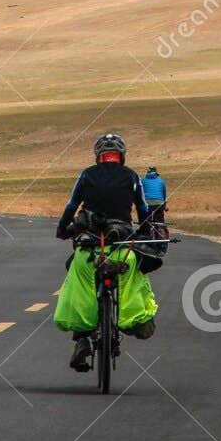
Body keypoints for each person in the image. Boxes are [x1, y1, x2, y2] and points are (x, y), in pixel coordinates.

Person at [53, 132, 157, 372]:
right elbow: (142, 209)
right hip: (123, 247)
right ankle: (134, 321)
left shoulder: (87, 175)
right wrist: (146, 233)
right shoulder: (132, 176)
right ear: (121, 156)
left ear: (98, 156)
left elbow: (71, 205)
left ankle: (82, 338)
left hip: (89, 245)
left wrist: (63, 229)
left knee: (76, 272)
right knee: (134, 271)